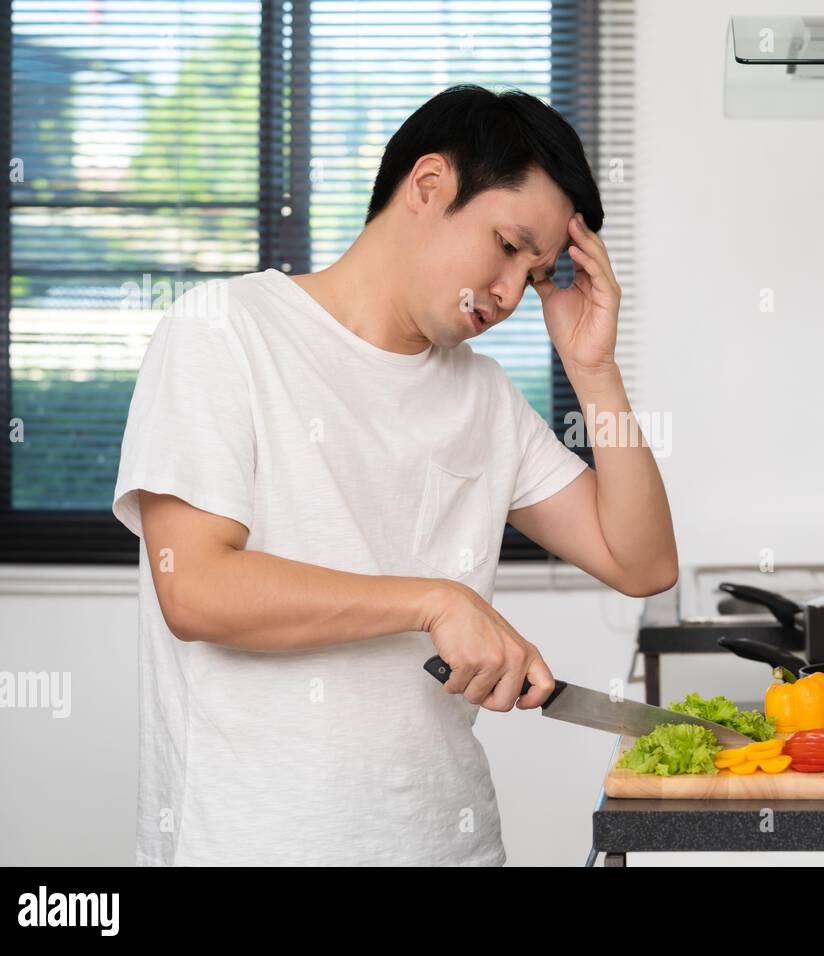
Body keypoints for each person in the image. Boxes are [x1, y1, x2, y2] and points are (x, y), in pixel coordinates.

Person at [111, 85, 677, 866]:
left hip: (448, 844)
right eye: (509, 246)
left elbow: (641, 562)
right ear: (429, 186)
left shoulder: (484, 397)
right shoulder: (224, 331)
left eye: (540, 272)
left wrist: (596, 367)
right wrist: (434, 600)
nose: (514, 293)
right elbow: (196, 588)